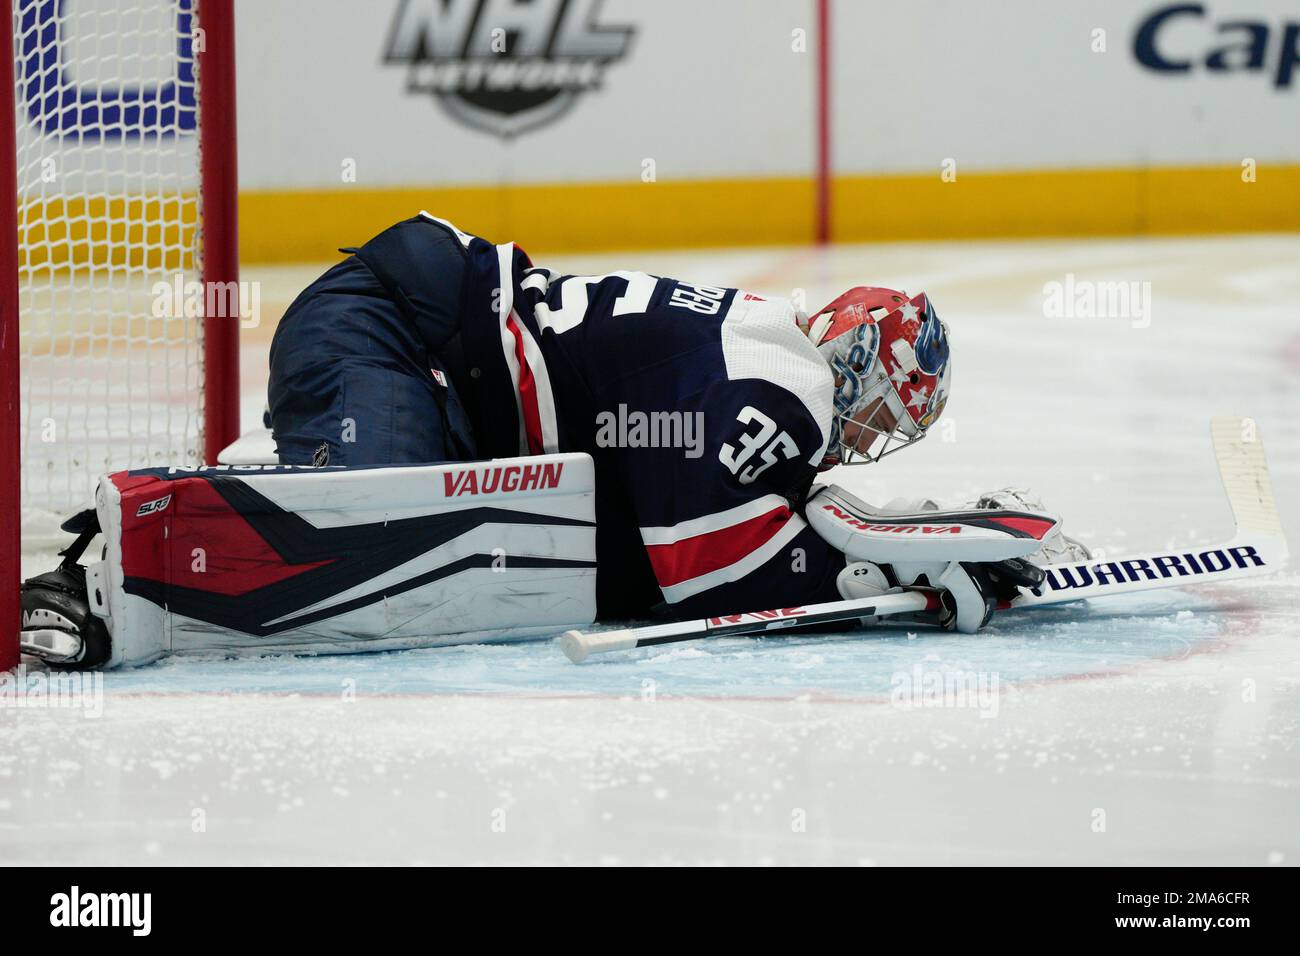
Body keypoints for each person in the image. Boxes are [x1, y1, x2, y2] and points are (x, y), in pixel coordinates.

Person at [263, 212, 1020, 629]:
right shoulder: (790, 384)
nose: (865, 438)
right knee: (377, 564)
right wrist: (874, 580)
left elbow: (648, 531)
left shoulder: (767, 343)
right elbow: (711, 573)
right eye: (882, 412)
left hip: (421, 357)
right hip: (385, 331)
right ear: (854, 362)